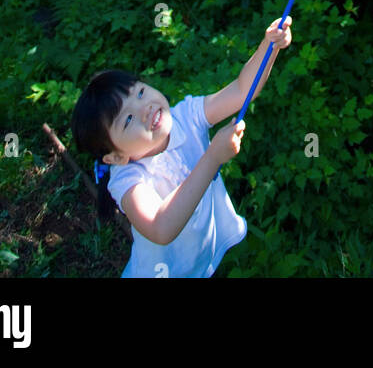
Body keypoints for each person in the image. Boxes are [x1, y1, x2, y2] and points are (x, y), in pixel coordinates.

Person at [70, 17, 292, 278]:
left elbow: (243, 90)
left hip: (198, 256)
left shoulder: (187, 116)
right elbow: (161, 228)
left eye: (140, 93)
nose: (145, 109)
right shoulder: (128, 180)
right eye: (128, 119)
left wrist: (269, 46)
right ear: (117, 156)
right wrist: (212, 158)